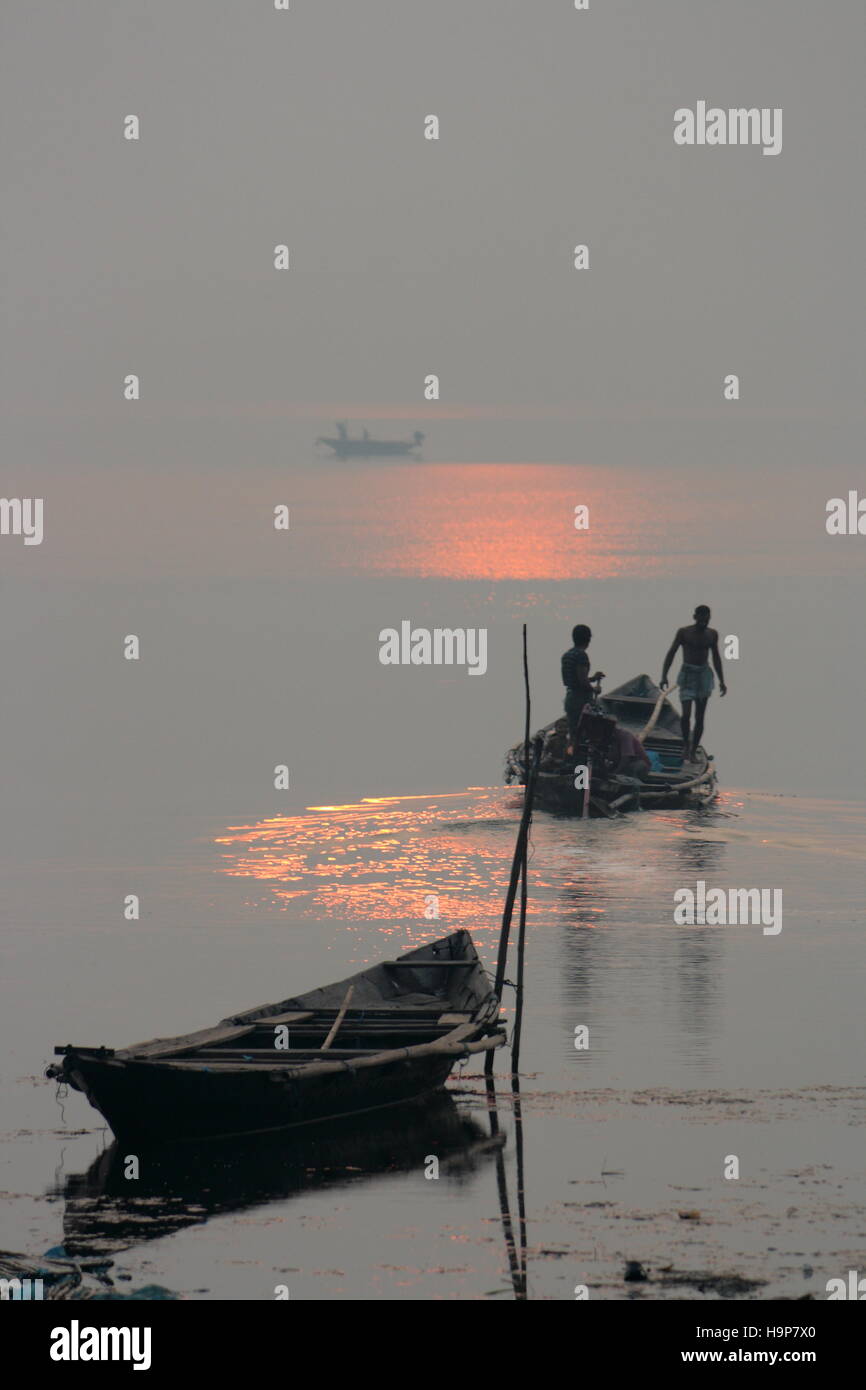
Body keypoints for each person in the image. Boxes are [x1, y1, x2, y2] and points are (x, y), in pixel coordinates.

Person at [660, 605, 726, 761]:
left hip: (703, 675)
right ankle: (686, 746)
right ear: (695, 617)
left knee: (700, 717)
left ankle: (693, 750)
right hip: (688, 674)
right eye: (702, 618)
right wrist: (664, 675)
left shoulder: (712, 635)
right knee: (686, 715)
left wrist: (722, 680)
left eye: (707, 618)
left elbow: (716, 657)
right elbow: (672, 652)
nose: (705, 621)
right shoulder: (684, 632)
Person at [561, 624, 605, 750]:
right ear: (588, 639)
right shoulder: (581, 655)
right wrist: (594, 689)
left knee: (573, 731)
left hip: (570, 696)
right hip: (580, 699)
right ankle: (577, 760)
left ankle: (570, 759)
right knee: (583, 732)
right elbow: (582, 681)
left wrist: (593, 678)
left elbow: (574, 679)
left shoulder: (567, 655)